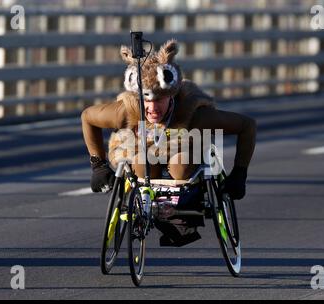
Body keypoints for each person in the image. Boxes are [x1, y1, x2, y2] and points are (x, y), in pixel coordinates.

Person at [81, 39, 256, 200]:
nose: (152, 108)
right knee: (143, 164)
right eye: (147, 101)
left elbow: (247, 125)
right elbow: (88, 117)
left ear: (171, 97)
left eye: (159, 100)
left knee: (181, 165)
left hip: (183, 153)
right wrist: (98, 165)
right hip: (143, 153)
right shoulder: (125, 111)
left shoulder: (195, 114)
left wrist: (239, 174)